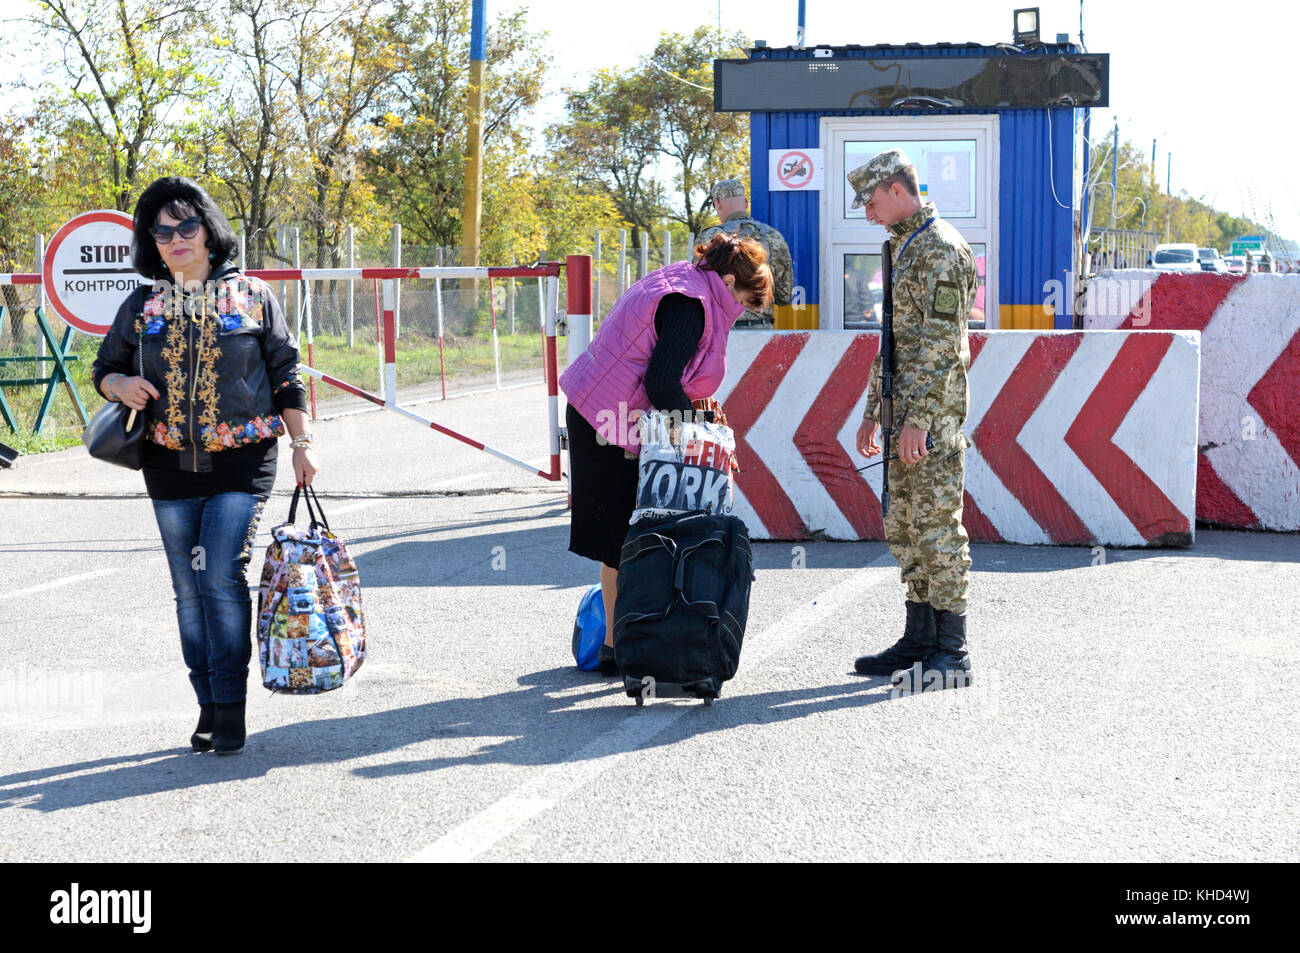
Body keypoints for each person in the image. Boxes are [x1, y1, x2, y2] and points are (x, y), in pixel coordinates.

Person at [92, 176, 318, 753]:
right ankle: (207, 705)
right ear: (152, 243)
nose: (175, 239)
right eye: (161, 231)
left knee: (218, 580)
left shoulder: (254, 296)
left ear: (210, 233)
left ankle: (232, 709)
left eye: (185, 226)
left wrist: (301, 445)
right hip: (166, 465)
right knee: (187, 591)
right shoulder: (140, 305)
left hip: (242, 463)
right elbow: (104, 369)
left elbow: (286, 373)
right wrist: (122, 384)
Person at [560, 232, 773, 675]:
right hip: (608, 422)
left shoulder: (686, 283)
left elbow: (670, 377)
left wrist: (695, 414)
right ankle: (621, 648)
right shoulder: (690, 306)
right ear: (729, 280)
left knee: (626, 537)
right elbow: (661, 382)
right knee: (626, 539)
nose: (745, 311)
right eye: (747, 301)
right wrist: (697, 438)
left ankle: (623, 643)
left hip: (604, 410)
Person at [848, 149, 977, 690]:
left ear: (898, 191)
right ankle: (919, 639)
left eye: (872, 201)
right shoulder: (905, 248)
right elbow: (895, 344)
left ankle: (954, 650)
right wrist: (874, 412)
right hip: (905, 418)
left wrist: (918, 420)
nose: (868, 212)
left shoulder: (941, 250)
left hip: (931, 423)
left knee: (938, 530)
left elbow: (942, 345)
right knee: (905, 528)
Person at [696, 179, 793, 328]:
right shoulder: (774, 237)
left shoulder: (710, 237)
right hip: (763, 330)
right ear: (746, 203)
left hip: (723, 331)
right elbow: (784, 296)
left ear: (718, 203)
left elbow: (696, 290)